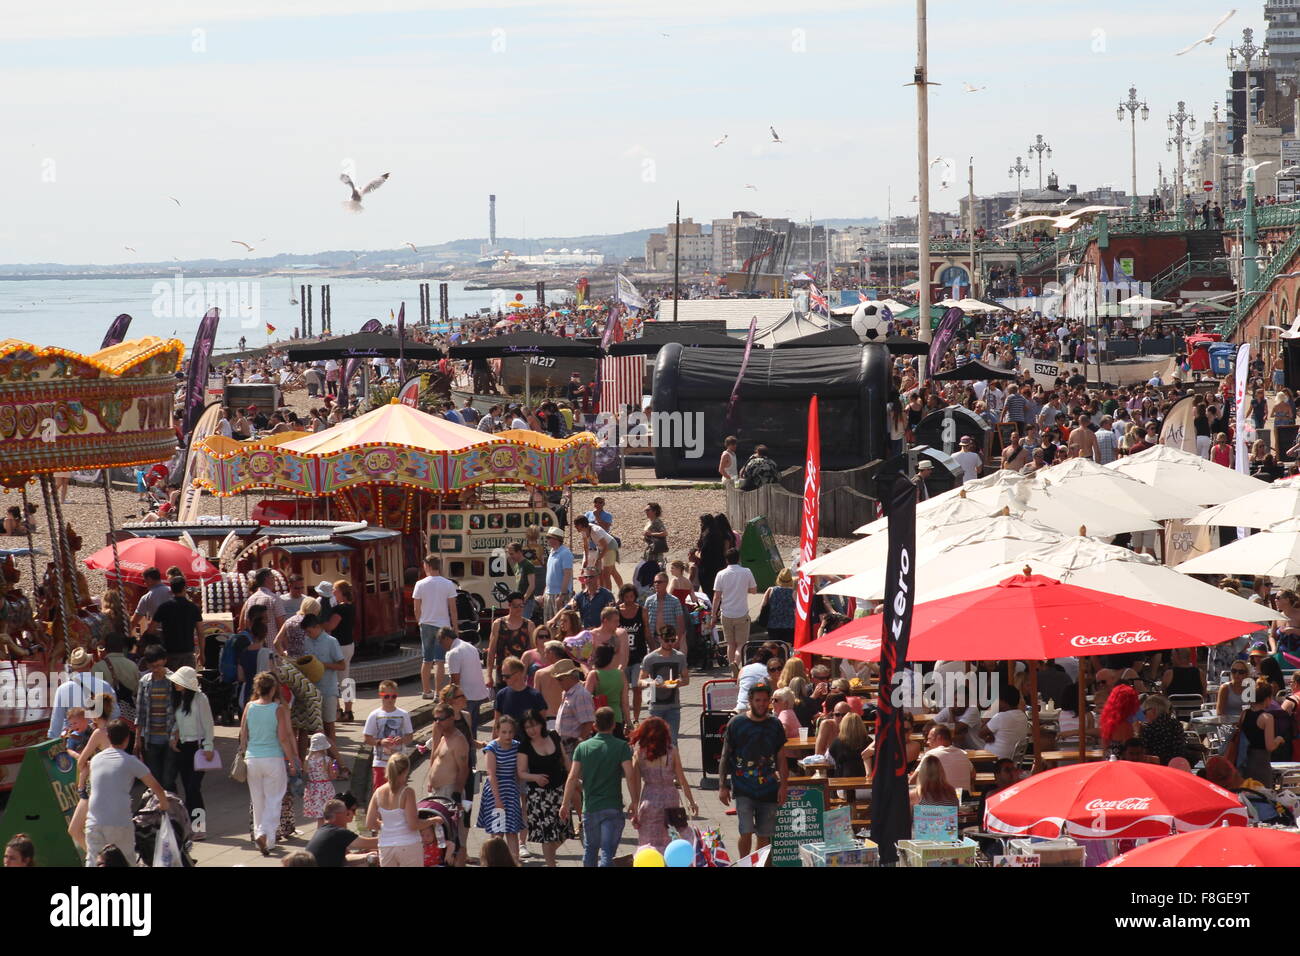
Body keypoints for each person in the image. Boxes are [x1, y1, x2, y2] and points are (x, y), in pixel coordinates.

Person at [82, 720, 169, 865]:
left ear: (108, 737)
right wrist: (164, 805)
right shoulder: (130, 761)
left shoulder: (96, 759)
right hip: (119, 821)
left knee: (93, 860)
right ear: (127, 739)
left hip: (94, 821)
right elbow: (157, 787)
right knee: (126, 859)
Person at [718, 682, 788, 858]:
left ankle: (759, 863)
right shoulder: (736, 723)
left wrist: (784, 786)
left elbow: (781, 757)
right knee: (746, 831)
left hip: (769, 787)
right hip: (743, 788)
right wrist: (722, 786)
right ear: (750, 700)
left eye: (765, 700)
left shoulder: (775, 724)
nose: (762, 704)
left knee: (764, 835)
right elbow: (725, 756)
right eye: (758, 700)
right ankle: (744, 862)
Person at [561, 706, 637, 867]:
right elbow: (630, 775)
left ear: (594, 725)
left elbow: (573, 777)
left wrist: (565, 804)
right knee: (608, 852)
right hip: (613, 806)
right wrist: (635, 800)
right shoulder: (621, 747)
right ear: (614, 725)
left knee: (590, 849)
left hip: (590, 807)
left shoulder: (582, 747)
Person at [238, 670, 300, 855]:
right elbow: (283, 737)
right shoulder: (278, 709)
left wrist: (244, 754)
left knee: (258, 801)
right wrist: (292, 759)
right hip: (272, 758)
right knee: (274, 799)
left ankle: (264, 840)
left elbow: (243, 733)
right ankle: (265, 834)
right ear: (273, 689)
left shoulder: (249, 706)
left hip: (252, 758)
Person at [628, 715, 697, 852]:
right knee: (671, 839)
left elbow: (635, 783)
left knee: (648, 842)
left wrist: (635, 805)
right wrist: (691, 801)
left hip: (649, 798)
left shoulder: (639, 754)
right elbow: (682, 780)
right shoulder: (672, 751)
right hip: (670, 798)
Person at [517, 709, 572, 866]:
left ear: (541, 724)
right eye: (527, 727)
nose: (531, 730)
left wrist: (573, 778)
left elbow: (565, 759)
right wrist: (535, 777)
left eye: (534, 725)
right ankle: (550, 863)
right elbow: (520, 772)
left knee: (565, 831)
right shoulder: (525, 746)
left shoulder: (554, 736)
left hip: (560, 791)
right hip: (539, 796)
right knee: (547, 835)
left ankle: (550, 857)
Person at [167, 666, 215, 838]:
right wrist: (173, 736)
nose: (175, 685)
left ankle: (199, 827)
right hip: (183, 748)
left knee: (194, 788)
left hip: (198, 747)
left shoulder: (201, 699)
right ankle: (191, 826)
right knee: (188, 788)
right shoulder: (180, 699)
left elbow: (208, 724)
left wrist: (209, 746)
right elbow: (177, 722)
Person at [366, 753, 435, 867]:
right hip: (408, 843)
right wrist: (434, 820)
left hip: (386, 844)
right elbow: (413, 825)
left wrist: (387, 825)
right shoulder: (407, 792)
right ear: (405, 771)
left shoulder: (378, 792)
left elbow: (370, 823)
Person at [478, 714, 526, 861]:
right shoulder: (492, 747)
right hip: (495, 791)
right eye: (504, 732)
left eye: (510, 732)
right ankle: (494, 862)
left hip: (511, 791)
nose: (508, 735)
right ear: (497, 731)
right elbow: (491, 775)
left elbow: (519, 772)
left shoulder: (517, 746)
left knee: (512, 831)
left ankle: (515, 861)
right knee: (497, 832)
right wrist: (497, 800)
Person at [413, 554, 459, 699]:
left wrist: (419, 621)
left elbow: (416, 608)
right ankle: (438, 693)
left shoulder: (420, 584)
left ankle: (426, 691)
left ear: (427, 566)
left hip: (426, 624)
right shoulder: (448, 584)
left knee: (426, 660)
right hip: (443, 626)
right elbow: (453, 608)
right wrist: (455, 626)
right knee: (440, 661)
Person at [48, 647, 118, 739]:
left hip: (74, 740)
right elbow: (115, 714)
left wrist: (53, 739)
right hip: (100, 738)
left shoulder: (63, 689)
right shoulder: (104, 685)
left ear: (72, 667)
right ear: (90, 663)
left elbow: (57, 721)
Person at [133, 645, 177, 790]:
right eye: (153, 666)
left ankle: (172, 809)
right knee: (154, 780)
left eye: (159, 665)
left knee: (168, 779)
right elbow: (140, 712)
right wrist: (137, 739)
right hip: (150, 739)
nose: (156, 669)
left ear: (165, 660)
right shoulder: (144, 682)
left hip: (170, 737)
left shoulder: (174, 680)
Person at [639, 625, 689, 742]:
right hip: (656, 706)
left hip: (674, 706)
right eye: (667, 640)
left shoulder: (679, 657)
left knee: (672, 742)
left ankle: (673, 761)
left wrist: (678, 682)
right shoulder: (650, 658)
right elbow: (640, 681)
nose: (670, 643)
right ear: (659, 639)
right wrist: (652, 683)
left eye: (673, 640)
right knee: (656, 742)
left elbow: (686, 679)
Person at [437, 626, 489, 739]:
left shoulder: (453, 653)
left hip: (464, 698)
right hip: (477, 695)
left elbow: (455, 681)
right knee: (472, 732)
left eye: (441, 642)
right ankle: (472, 755)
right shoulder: (470, 647)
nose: (442, 646)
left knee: (463, 734)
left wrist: (446, 699)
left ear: (446, 638)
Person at [363, 679, 413, 793]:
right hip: (380, 762)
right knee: (380, 793)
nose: (390, 699)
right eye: (386, 696)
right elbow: (366, 738)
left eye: (393, 696)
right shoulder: (374, 715)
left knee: (399, 792)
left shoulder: (403, 714)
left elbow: (410, 736)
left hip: (399, 762)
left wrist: (402, 740)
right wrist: (380, 742)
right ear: (380, 696)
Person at [712, 548, 757, 676]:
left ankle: (731, 666)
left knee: (730, 643)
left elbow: (717, 596)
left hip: (726, 613)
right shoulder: (746, 572)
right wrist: (743, 589)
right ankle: (736, 664)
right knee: (741, 644)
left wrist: (713, 614)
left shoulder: (721, 574)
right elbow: (754, 590)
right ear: (738, 559)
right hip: (741, 612)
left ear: (726, 560)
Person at [153, 575, 203, 671]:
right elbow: (200, 632)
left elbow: (151, 629)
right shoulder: (193, 608)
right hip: (188, 653)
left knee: (172, 683)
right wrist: (202, 653)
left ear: (171, 590)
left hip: (169, 654)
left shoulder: (164, 607)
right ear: (185, 588)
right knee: (187, 683)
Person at [486, 592, 534, 690]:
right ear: (509, 606)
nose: (519, 609)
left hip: (522, 675)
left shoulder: (529, 625)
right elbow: (491, 651)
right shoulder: (498, 624)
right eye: (516, 606)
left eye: (521, 606)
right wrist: (489, 675)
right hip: (503, 674)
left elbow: (534, 651)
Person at [554, 658, 596, 759]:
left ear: (571, 676)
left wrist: (579, 742)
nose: (558, 682)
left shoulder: (580, 694)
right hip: (566, 746)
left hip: (574, 746)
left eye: (560, 679)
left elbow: (588, 722)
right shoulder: (568, 693)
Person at [1241, 677, 1282, 783]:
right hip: (1261, 764)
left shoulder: (1244, 714)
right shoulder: (1267, 718)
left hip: (1244, 761)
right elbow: (1270, 746)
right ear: (1268, 699)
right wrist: (1278, 739)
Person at [585, 643, 629, 738]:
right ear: (611, 657)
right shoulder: (620, 674)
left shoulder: (594, 674)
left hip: (599, 718)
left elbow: (586, 698)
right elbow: (624, 702)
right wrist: (629, 722)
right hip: (616, 718)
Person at [328, 580, 357, 721]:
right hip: (349, 644)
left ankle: (338, 710)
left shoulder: (339, 609)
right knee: (346, 679)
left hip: (338, 646)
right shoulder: (351, 607)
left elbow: (331, 626)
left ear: (341, 592)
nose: (333, 592)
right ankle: (349, 710)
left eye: (335, 589)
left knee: (334, 679)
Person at [915, 724, 974, 791]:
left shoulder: (931, 754)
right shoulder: (963, 754)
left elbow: (913, 780)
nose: (927, 742)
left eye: (929, 738)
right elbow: (973, 775)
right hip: (963, 798)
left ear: (939, 738)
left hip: (941, 799)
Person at [494, 655, 548, 729]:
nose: (503, 679)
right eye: (502, 676)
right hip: (508, 740)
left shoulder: (535, 696)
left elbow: (542, 723)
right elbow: (497, 723)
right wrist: (494, 740)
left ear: (518, 674)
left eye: (506, 676)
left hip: (530, 740)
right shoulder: (501, 695)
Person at [979, 686, 1028, 760]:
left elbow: (980, 733)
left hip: (994, 762)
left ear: (1003, 702)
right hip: (1010, 761)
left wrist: (991, 712)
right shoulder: (1022, 716)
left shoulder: (1001, 717)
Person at [129, 566, 172, 641]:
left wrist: (125, 634)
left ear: (149, 579)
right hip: (176, 634)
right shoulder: (172, 591)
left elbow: (134, 621)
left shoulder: (147, 597)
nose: (145, 584)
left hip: (158, 636)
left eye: (144, 581)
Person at [759, 568, 796, 645]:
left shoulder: (771, 590)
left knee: (773, 647)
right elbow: (797, 610)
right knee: (787, 647)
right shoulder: (793, 593)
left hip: (773, 625)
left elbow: (763, 606)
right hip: (789, 625)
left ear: (778, 578)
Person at [543, 527, 574, 619]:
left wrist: (562, 595)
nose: (548, 540)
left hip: (559, 594)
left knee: (561, 624)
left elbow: (567, 574)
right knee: (549, 624)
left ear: (557, 539)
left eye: (550, 538)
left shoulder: (565, 553)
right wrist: (545, 592)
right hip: (549, 594)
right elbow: (549, 574)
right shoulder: (552, 552)